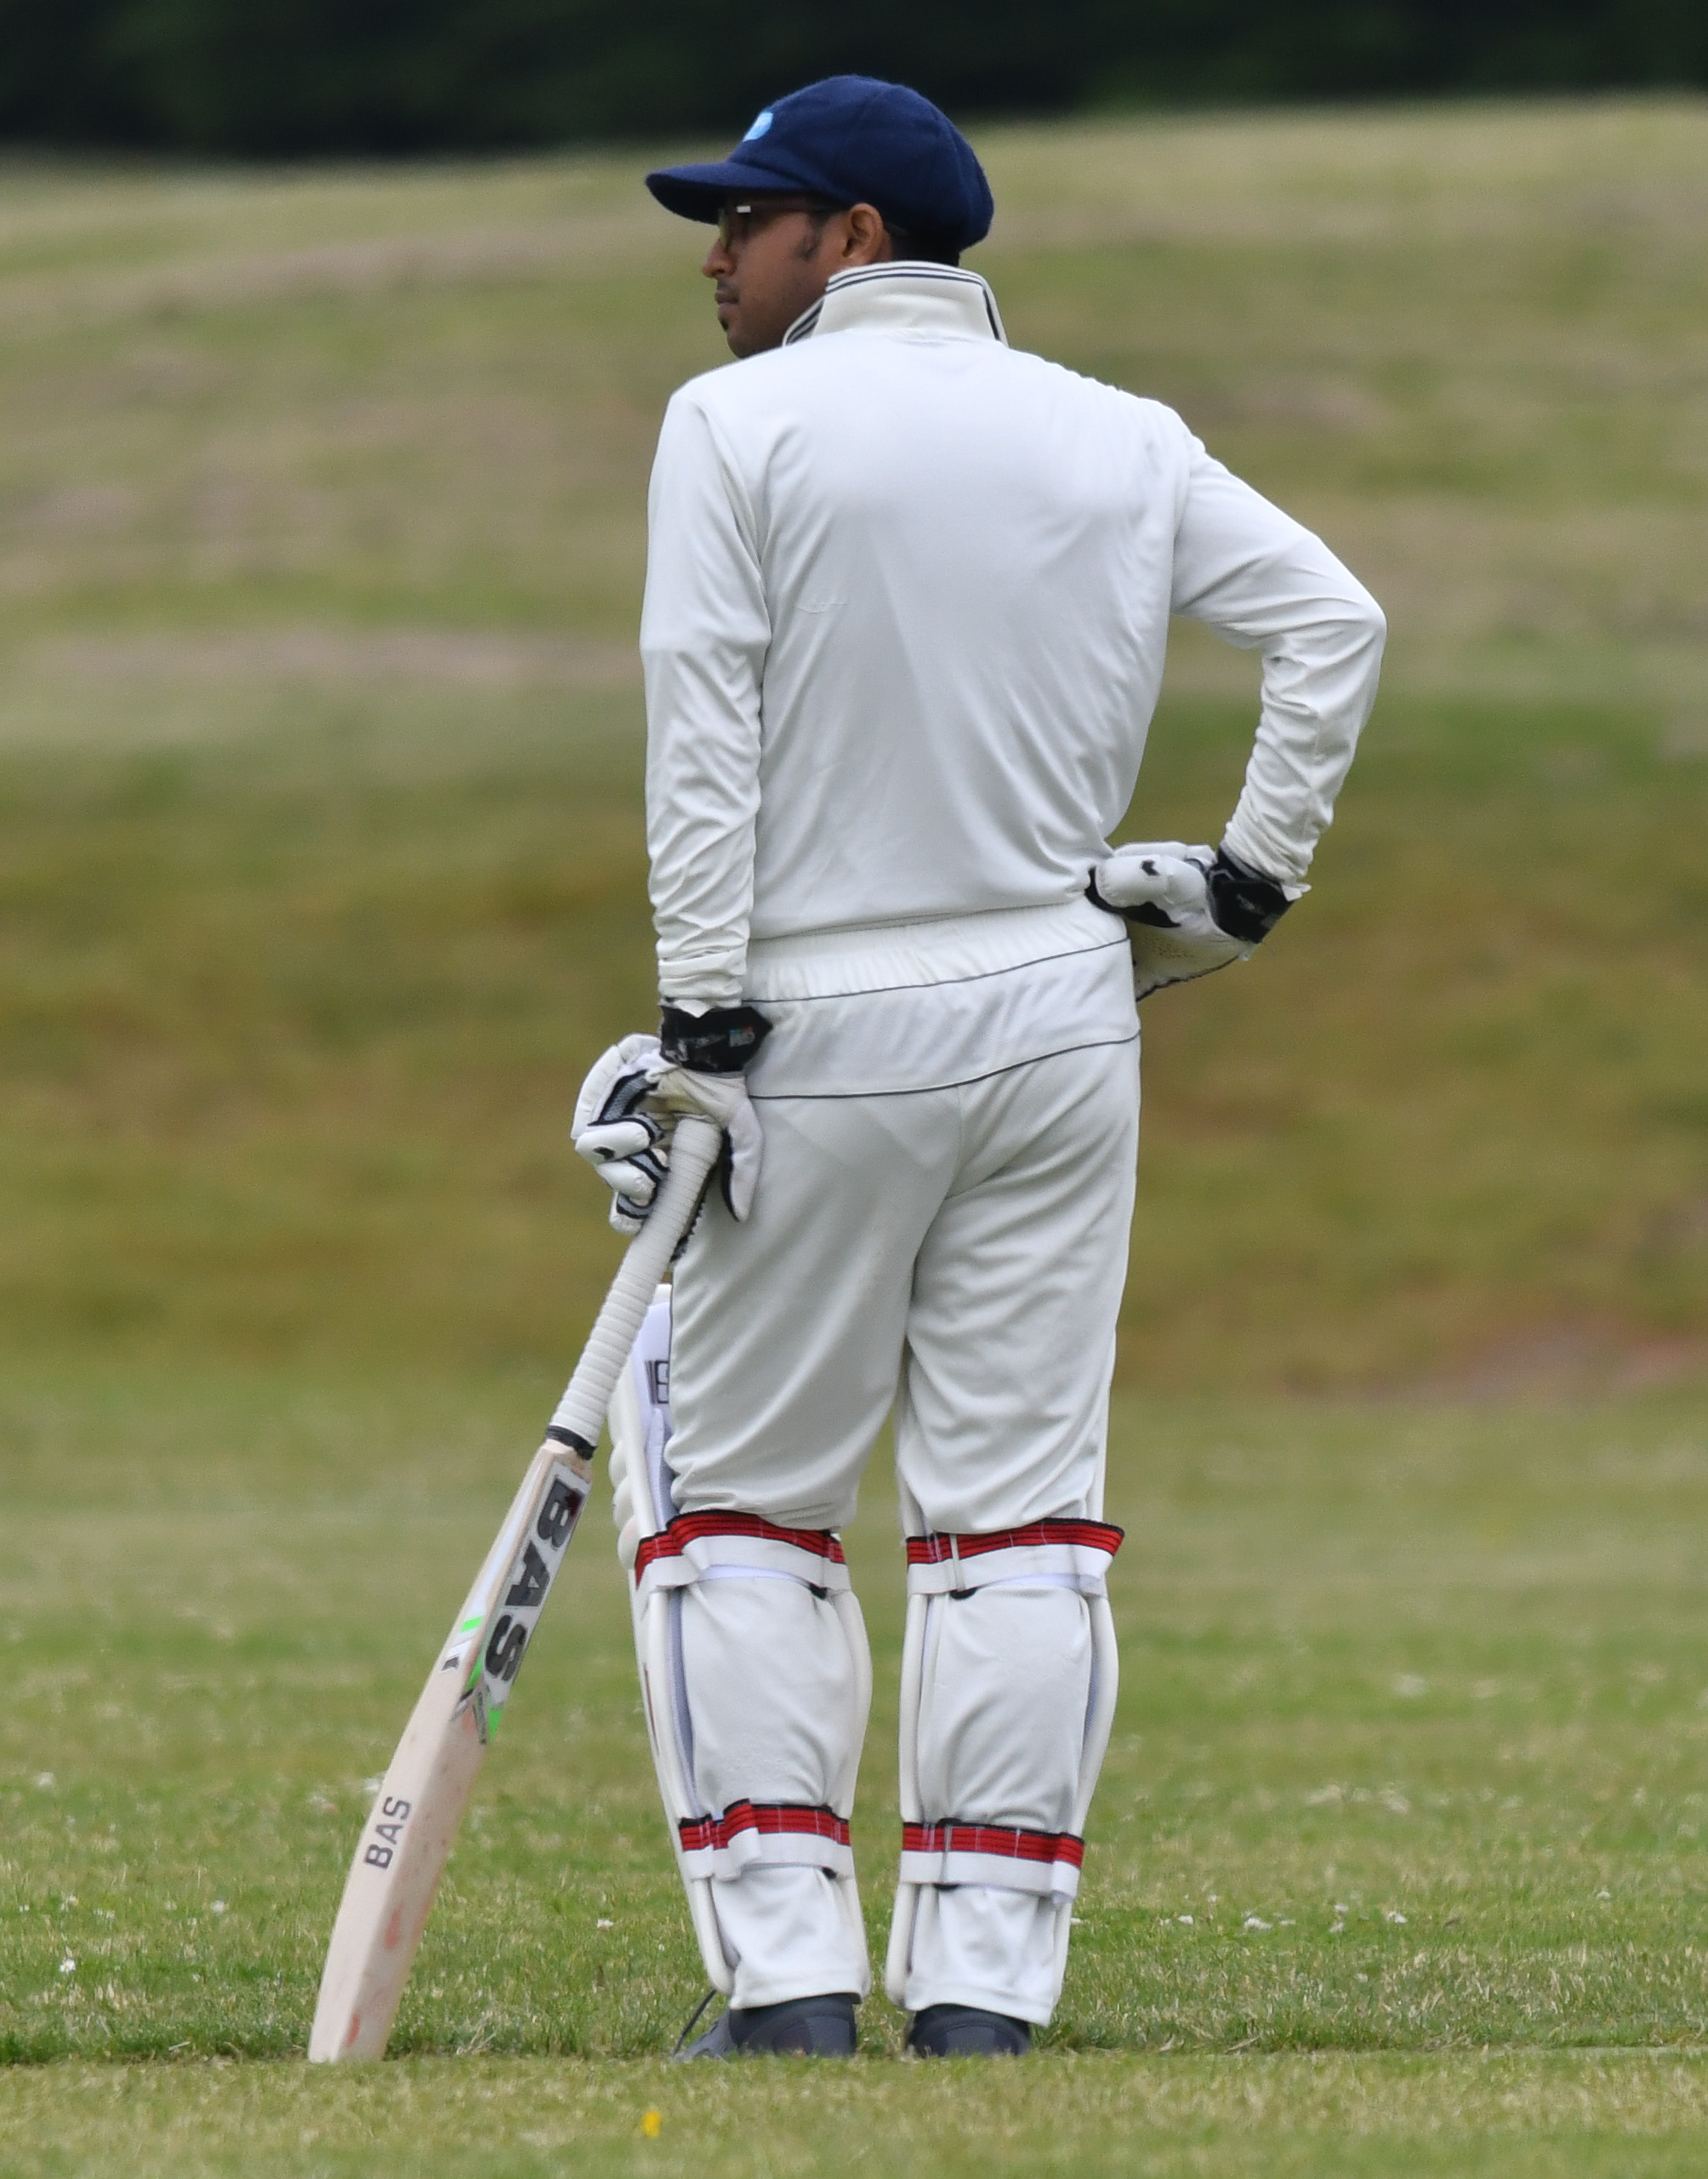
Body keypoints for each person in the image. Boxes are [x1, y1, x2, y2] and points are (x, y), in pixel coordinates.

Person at [571, 77, 1384, 2057]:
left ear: (849, 238)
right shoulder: (1118, 431)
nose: (714, 252)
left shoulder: (733, 424)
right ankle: (980, 1999)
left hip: (821, 1024)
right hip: (1058, 1012)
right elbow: (1333, 624)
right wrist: (1251, 881)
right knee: (1014, 1517)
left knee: (741, 1511)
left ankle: (782, 1985)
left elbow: (701, 719)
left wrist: (693, 1024)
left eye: (747, 220)